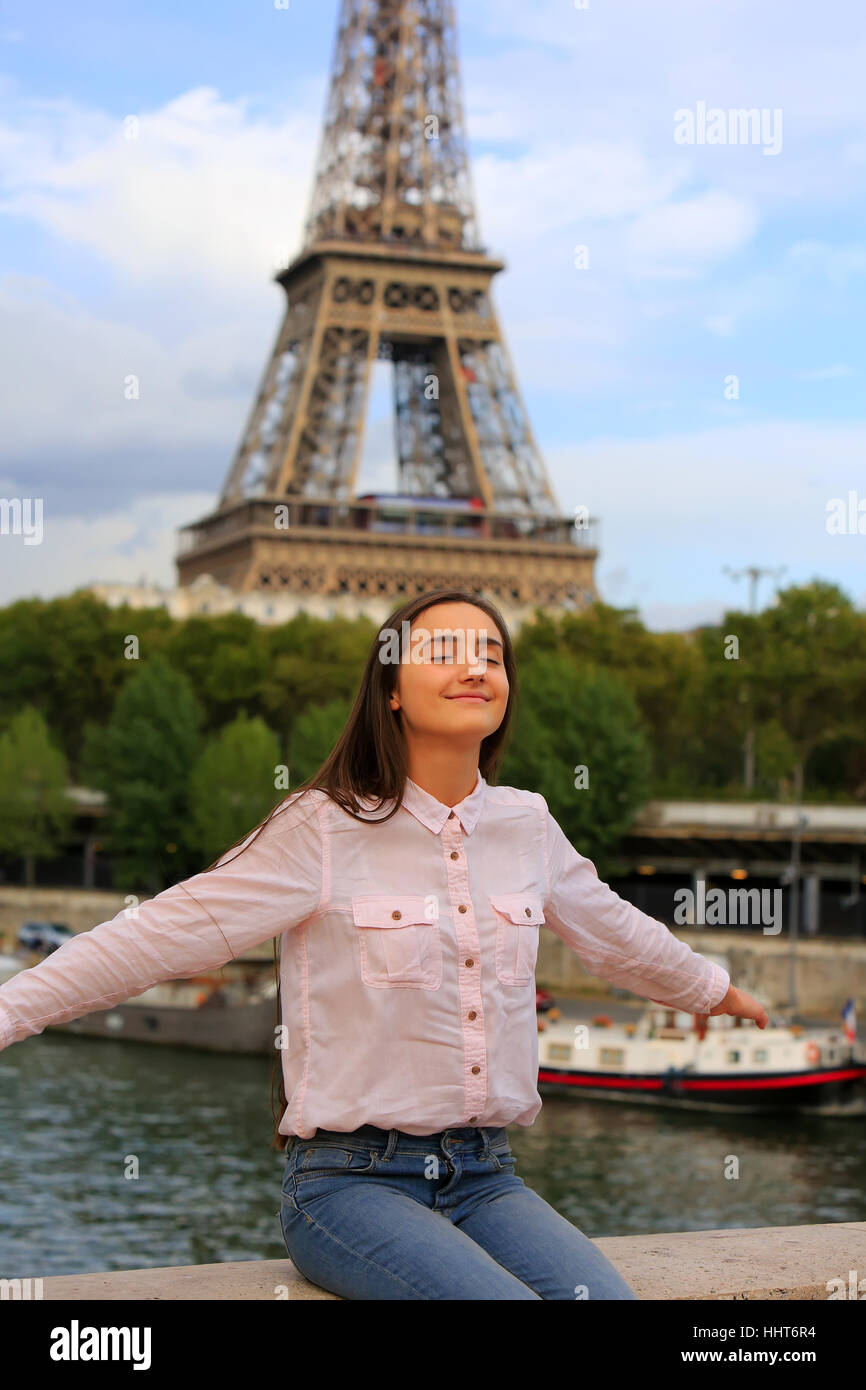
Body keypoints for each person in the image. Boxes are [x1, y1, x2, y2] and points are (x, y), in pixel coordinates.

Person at [0, 586, 767, 1300]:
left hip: (487, 1176)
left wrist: (713, 990)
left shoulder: (527, 825)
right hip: (348, 1186)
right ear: (391, 689)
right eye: (446, 652)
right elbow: (165, 933)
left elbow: (613, 930)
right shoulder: (322, 827)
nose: (477, 667)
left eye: (492, 655)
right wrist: (10, 1011)